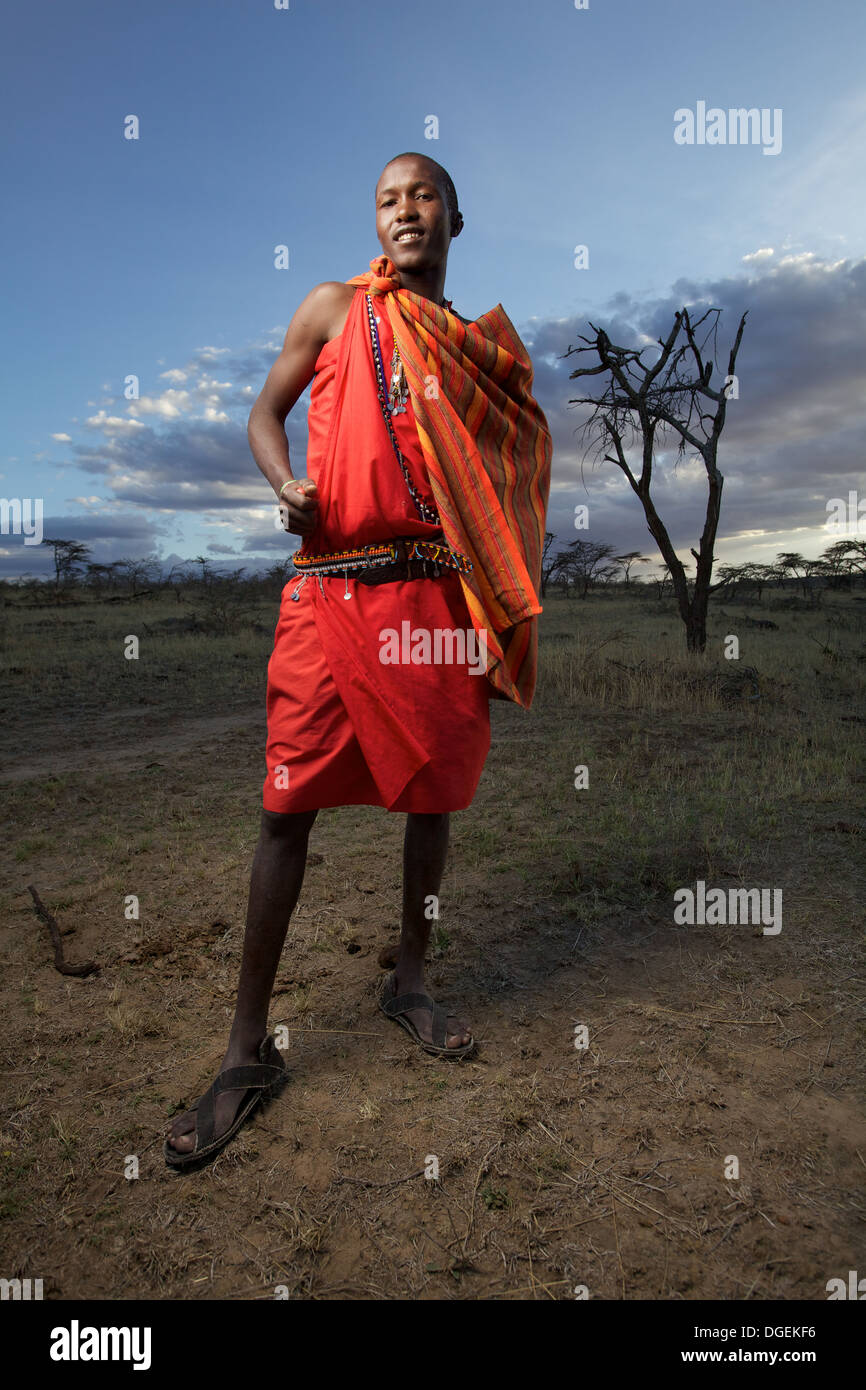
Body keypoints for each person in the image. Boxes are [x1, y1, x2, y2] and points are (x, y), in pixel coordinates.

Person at [165, 151, 552, 1167]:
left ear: (454, 219)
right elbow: (262, 413)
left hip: (432, 595)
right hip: (330, 587)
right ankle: (247, 1048)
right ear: (373, 222)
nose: (403, 211)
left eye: (422, 195)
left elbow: (513, 467)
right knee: (283, 807)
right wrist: (282, 478)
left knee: (434, 800)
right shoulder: (333, 306)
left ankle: (410, 980)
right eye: (386, 200)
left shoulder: (470, 349)